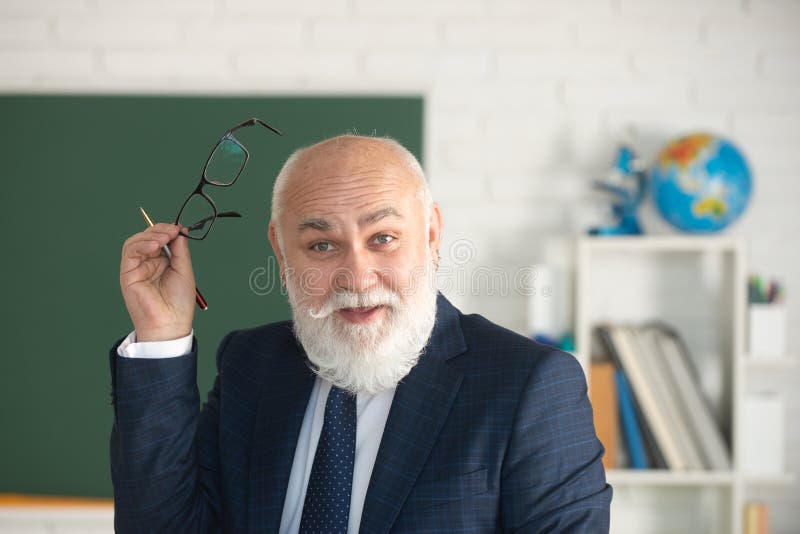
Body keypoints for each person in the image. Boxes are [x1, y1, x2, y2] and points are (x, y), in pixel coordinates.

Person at [111, 135, 612, 533]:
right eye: (321, 245)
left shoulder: (530, 386)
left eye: (383, 238)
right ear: (281, 253)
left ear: (431, 235)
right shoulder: (251, 364)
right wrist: (161, 333)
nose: (356, 276)